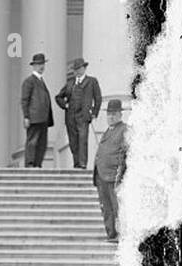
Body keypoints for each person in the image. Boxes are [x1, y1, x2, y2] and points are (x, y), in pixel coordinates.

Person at [54, 57, 102, 169]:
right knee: (73, 141)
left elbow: (98, 98)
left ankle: (82, 163)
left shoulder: (92, 81)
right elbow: (58, 97)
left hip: (84, 116)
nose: (77, 71)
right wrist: (65, 105)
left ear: (84, 68)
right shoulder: (70, 83)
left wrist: (94, 113)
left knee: (83, 139)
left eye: (79, 68)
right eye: (75, 69)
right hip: (70, 116)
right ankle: (76, 163)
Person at [93, 99, 128, 241]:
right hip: (101, 176)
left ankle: (120, 234)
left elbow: (126, 153)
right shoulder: (107, 131)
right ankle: (111, 233)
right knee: (106, 208)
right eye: (109, 114)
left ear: (120, 115)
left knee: (117, 207)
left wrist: (120, 172)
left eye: (114, 114)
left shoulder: (125, 130)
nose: (111, 117)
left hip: (114, 176)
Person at [20, 53, 54, 168]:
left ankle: (37, 164)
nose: (41, 66)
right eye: (39, 64)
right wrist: (26, 116)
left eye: (43, 63)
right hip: (34, 117)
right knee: (33, 141)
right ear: (34, 66)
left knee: (42, 143)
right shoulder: (29, 81)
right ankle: (30, 164)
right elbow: (25, 100)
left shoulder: (41, 81)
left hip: (43, 118)